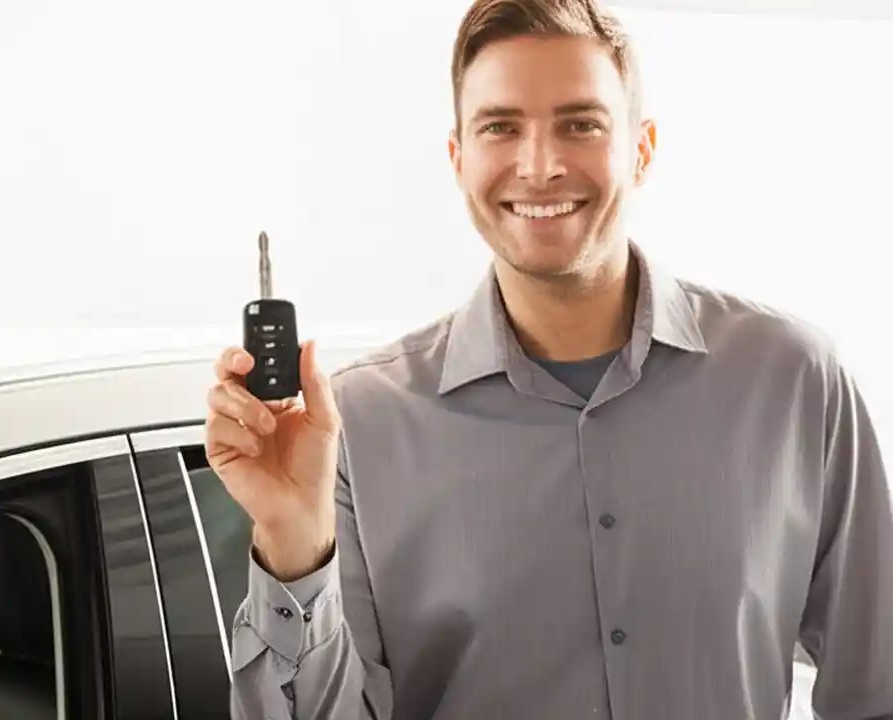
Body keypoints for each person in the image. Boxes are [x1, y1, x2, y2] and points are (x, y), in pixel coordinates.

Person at [203, 0, 893, 717]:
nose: (540, 165)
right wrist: (292, 541)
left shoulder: (793, 382)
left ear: (642, 149)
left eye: (581, 124)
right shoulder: (359, 427)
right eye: (501, 126)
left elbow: (875, 690)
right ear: (458, 158)